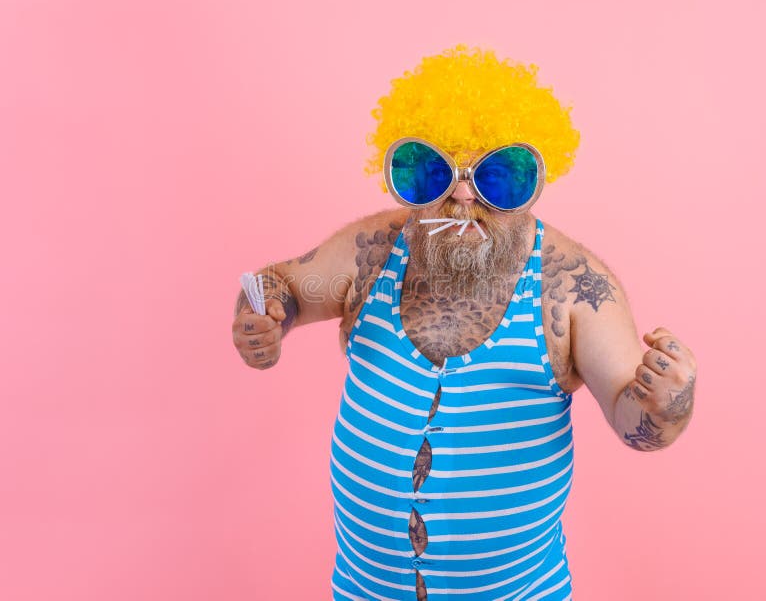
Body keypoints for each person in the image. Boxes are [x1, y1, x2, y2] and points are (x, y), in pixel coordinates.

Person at [231, 45, 697, 601]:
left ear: (536, 179)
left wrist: (668, 402)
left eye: (498, 178)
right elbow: (277, 284)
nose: (461, 195)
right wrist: (263, 321)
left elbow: (635, 422)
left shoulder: (571, 286)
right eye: (432, 172)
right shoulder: (374, 253)